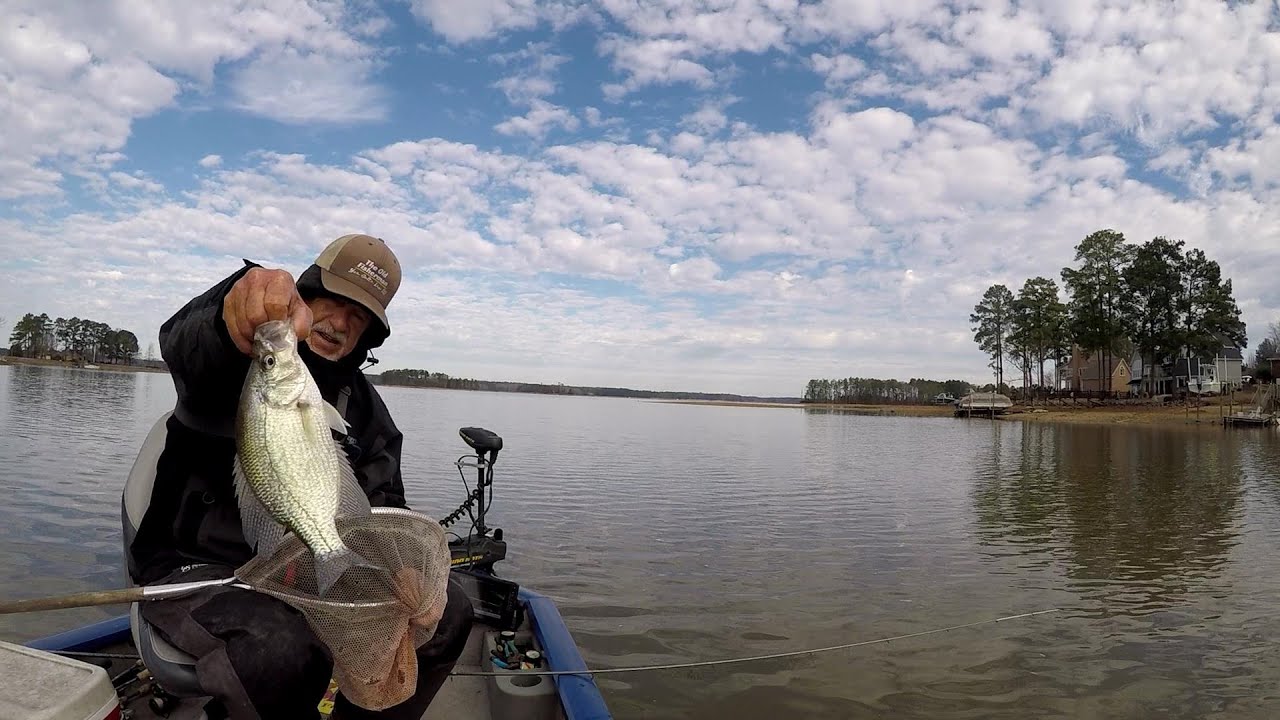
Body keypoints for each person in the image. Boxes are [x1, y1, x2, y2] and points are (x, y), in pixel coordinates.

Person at [125, 234, 473, 720]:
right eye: (333, 301)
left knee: (450, 613)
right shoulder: (241, 361)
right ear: (306, 294)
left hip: (310, 570)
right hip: (199, 567)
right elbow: (186, 346)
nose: (341, 323)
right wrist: (231, 309)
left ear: (370, 333)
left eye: (361, 317)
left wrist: (405, 570)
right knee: (280, 651)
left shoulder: (367, 412)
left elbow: (385, 502)